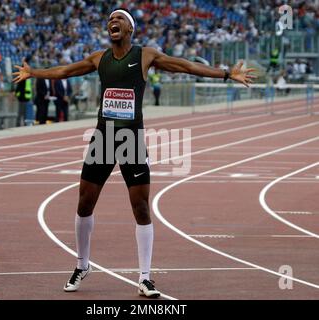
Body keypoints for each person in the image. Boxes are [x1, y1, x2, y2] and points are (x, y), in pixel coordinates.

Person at [13, 8, 255, 298]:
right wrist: (33, 73)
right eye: (109, 20)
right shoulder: (98, 58)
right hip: (103, 138)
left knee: (141, 207)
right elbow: (64, 71)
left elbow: (186, 66)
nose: (112, 23)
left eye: (119, 20)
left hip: (131, 139)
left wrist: (226, 74)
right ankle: (82, 264)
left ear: (130, 28)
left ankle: (145, 278)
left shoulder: (145, 55)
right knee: (84, 203)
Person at [15, 57, 34, 126]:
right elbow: (19, 86)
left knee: (26, 113)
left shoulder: (28, 73)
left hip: (27, 97)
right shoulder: (23, 73)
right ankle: (18, 125)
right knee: (21, 113)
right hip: (22, 97)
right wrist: (18, 95)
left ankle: (24, 125)